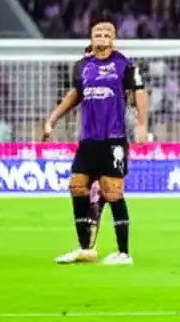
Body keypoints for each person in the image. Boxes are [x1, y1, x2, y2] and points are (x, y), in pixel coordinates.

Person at [45, 20, 148, 265]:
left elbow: (140, 92)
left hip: (113, 139)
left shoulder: (124, 63)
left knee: (113, 192)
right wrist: (53, 118)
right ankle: (85, 248)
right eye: (97, 34)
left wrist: (142, 125)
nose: (102, 38)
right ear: (91, 38)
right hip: (88, 140)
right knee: (77, 187)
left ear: (113, 39)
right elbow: (75, 95)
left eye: (107, 34)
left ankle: (123, 253)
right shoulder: (82, 66)